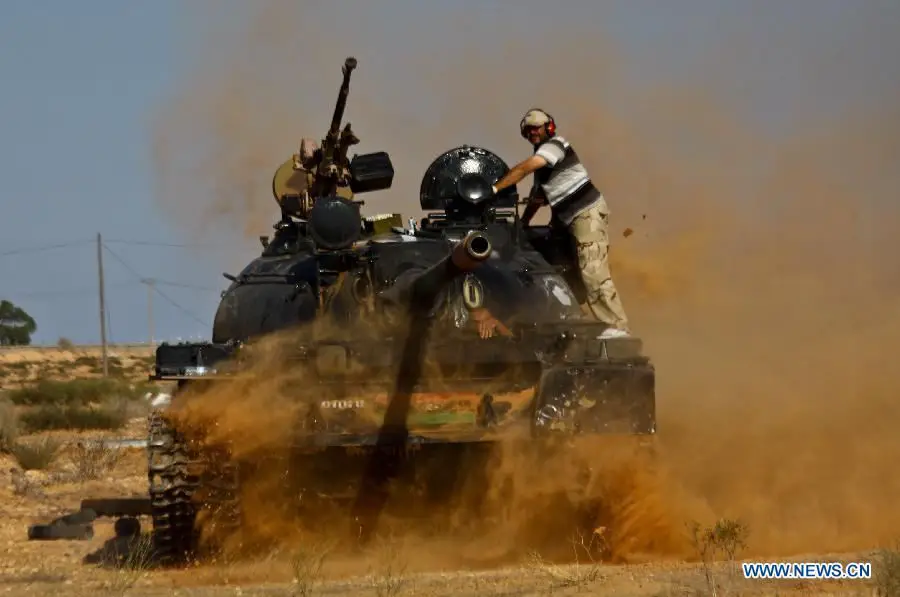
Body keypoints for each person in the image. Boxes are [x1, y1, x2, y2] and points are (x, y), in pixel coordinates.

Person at [489, 108, 630, 338]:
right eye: (529, 130)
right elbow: (537, 198)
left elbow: (524, 168)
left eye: (537, 128)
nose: (533, 132)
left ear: (549, 128)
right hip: (570, 220)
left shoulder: (554, 146)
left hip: (586, 214)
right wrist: (522, 224)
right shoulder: (544, 168)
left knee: (593, 270)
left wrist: (494, 188)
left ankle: (617, 327)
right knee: (572, 270)